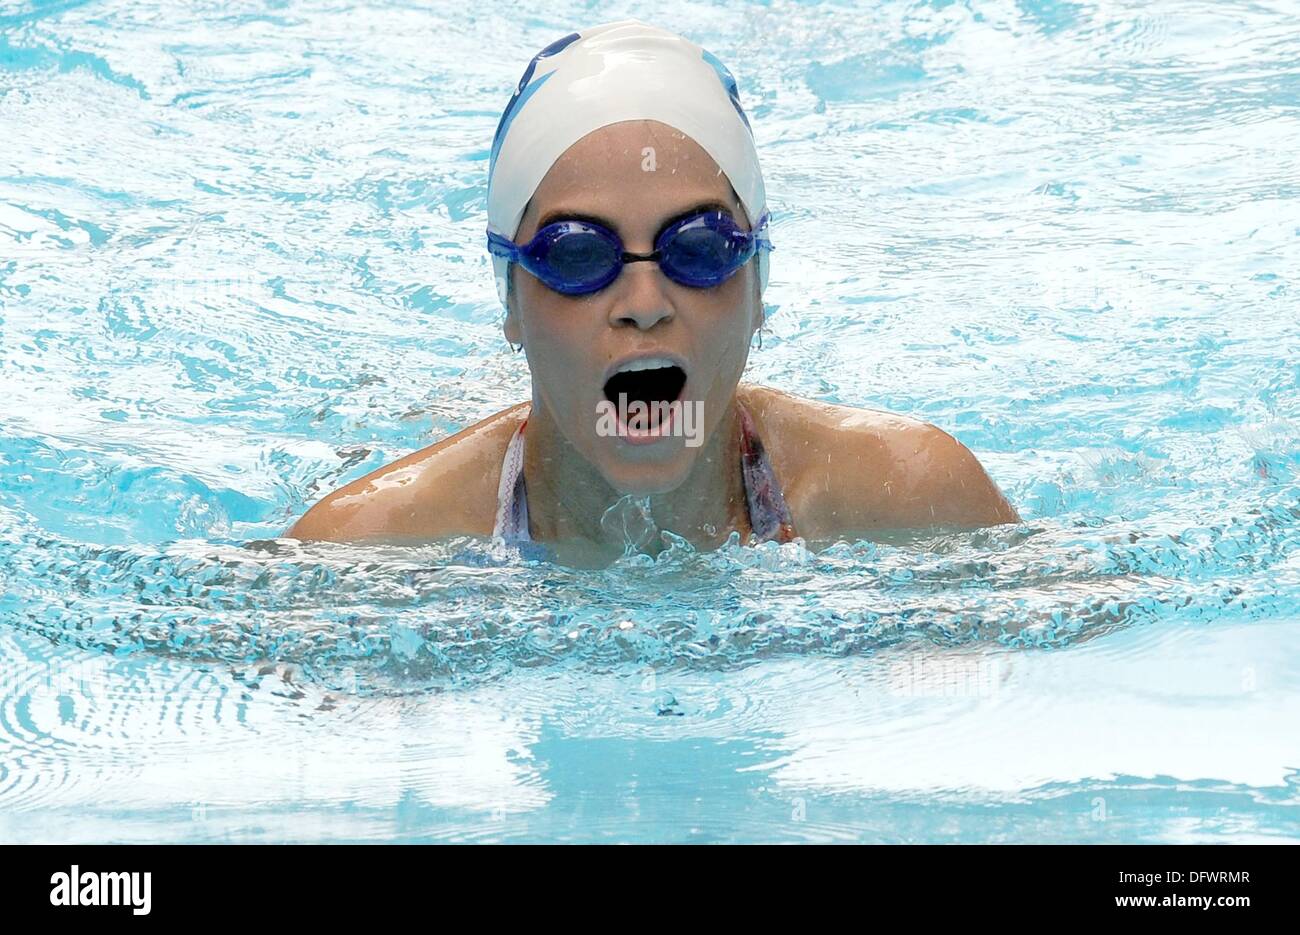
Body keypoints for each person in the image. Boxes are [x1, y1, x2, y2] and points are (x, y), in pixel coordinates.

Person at [287, 19, 1019, 562]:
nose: (644, 299)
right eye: (577, 255)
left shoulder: (913, 493)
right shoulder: (368, 546)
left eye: (699, 249)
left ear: (760, 285)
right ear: (508, 300)